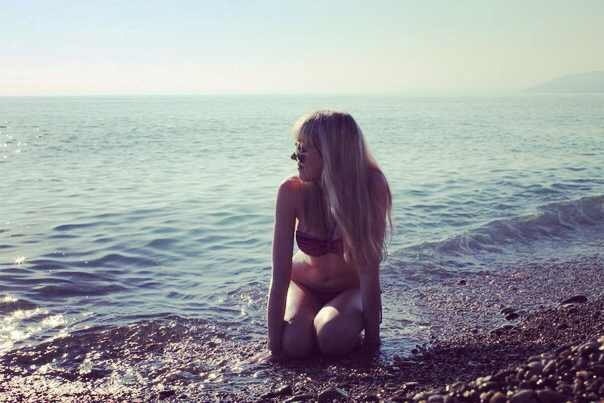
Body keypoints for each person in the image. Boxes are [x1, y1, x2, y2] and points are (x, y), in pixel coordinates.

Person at [267, 110, 392, 359]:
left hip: (350, 289)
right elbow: (280, 274)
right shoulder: (290, 191)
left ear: (331, 153)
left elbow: (369, 271)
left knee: (332, 336)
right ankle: (310, 325)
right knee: (293, 344)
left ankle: (337, 325)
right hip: (303, 285)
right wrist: (273, 348)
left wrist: (373, 344)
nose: (296, 157)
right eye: (296, 148)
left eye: (304, 150)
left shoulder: (372, 187)